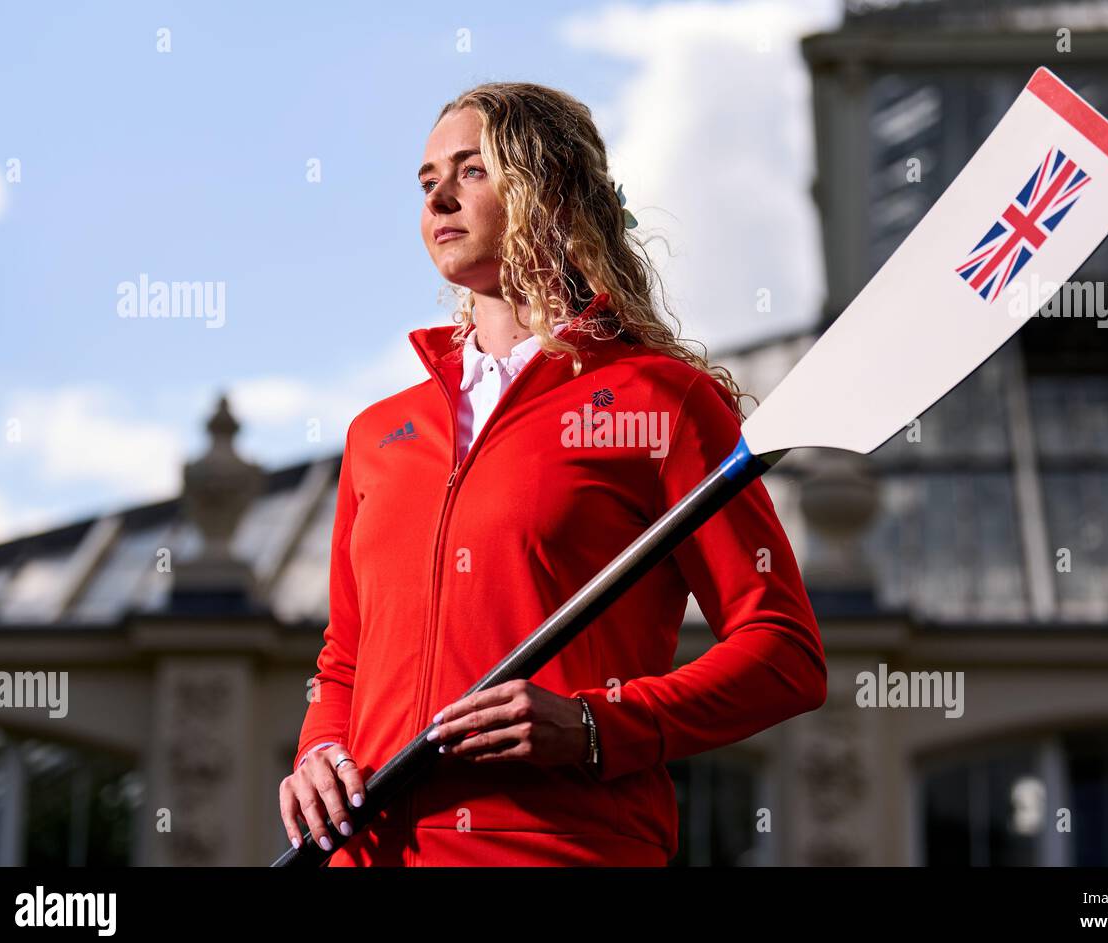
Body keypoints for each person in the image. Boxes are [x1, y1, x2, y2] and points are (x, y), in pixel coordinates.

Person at [278, 81, 827, 866]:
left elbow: (784, 654)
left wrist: (596, 726)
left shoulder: (662, 403)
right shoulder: (379, 436)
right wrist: (319, 752)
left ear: (551, 191)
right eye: (427, 179)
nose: (438, 197)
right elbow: (344, 664)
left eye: (471, 171)